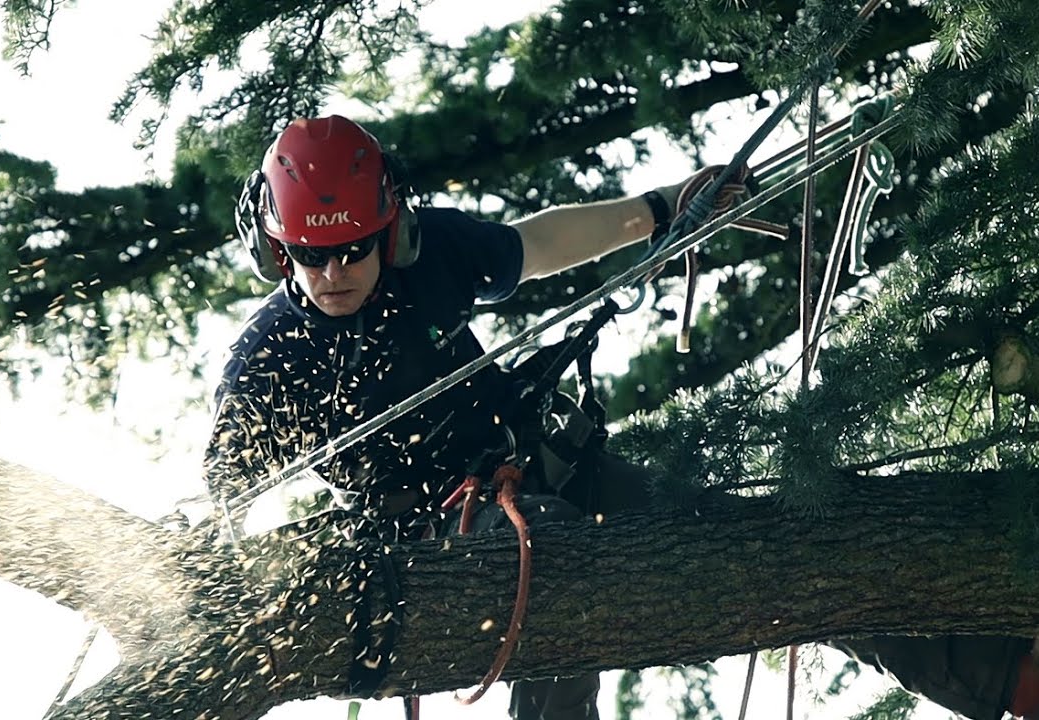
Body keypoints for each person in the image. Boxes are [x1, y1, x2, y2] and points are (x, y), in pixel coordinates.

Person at [203, 114, 689, 719]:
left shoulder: (433, 256)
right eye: (310, 255)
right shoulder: (269, 359)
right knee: (548, 543)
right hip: (427, 536)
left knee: (718, 524)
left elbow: (535, 246)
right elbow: (223, 492)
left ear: (392, 232)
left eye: (353, 251)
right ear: (274, 249)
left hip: (532, 465)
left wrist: (661, 207)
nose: (333, 274)